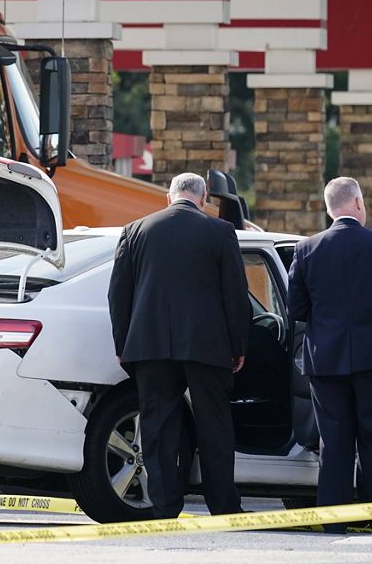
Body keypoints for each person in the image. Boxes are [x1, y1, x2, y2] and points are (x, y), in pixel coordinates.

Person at [108, 172, 250, 518]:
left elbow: (118, 294)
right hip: (208, 345)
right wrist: (239, 345)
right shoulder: (220, 231)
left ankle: (164, 505)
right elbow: (236, 295)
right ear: (203, 199)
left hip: (150, 346)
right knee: (214, 426)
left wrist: (124, 344)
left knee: (157, 428)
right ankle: (224, 505)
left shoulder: (136, 230)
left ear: (168, 198)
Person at [287, 177, 372, 534]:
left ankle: (333, 521)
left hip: (326, 359)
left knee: (334, 441)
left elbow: (296, 308)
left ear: (330, 209)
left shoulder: (306, 249)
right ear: (358, 203)